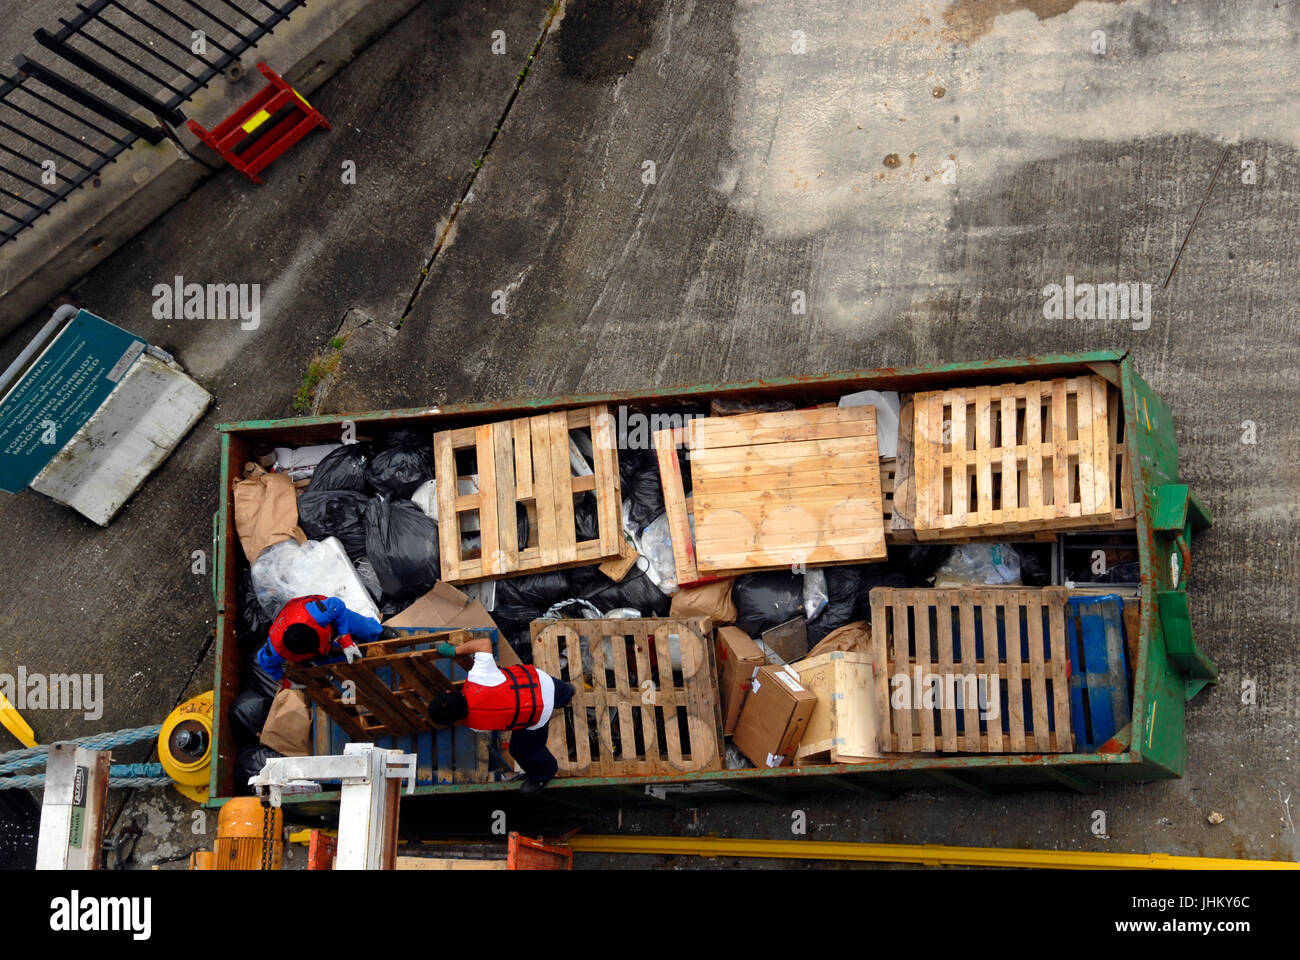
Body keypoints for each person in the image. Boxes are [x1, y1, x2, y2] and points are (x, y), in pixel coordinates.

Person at [427, 635, 574, 796]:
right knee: (544, 686)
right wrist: (455, 651)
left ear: (455, 721)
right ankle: (566, 692)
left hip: (539, 712)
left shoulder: (475, 725)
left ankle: (543, 774)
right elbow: (484, 643)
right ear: (449, 692)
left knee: (519, 750)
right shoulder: (478, 676)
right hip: (540, 681)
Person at [255, 595, 382, 686]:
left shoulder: (318, 615)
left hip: (329, 621)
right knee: (336, 661)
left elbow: (338, 606)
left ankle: (379, 633)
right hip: (319, 650)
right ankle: (359, 666)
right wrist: (285, 681)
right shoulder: (276, 649)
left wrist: (345, 639)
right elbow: (264, 662)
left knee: (362, 627)